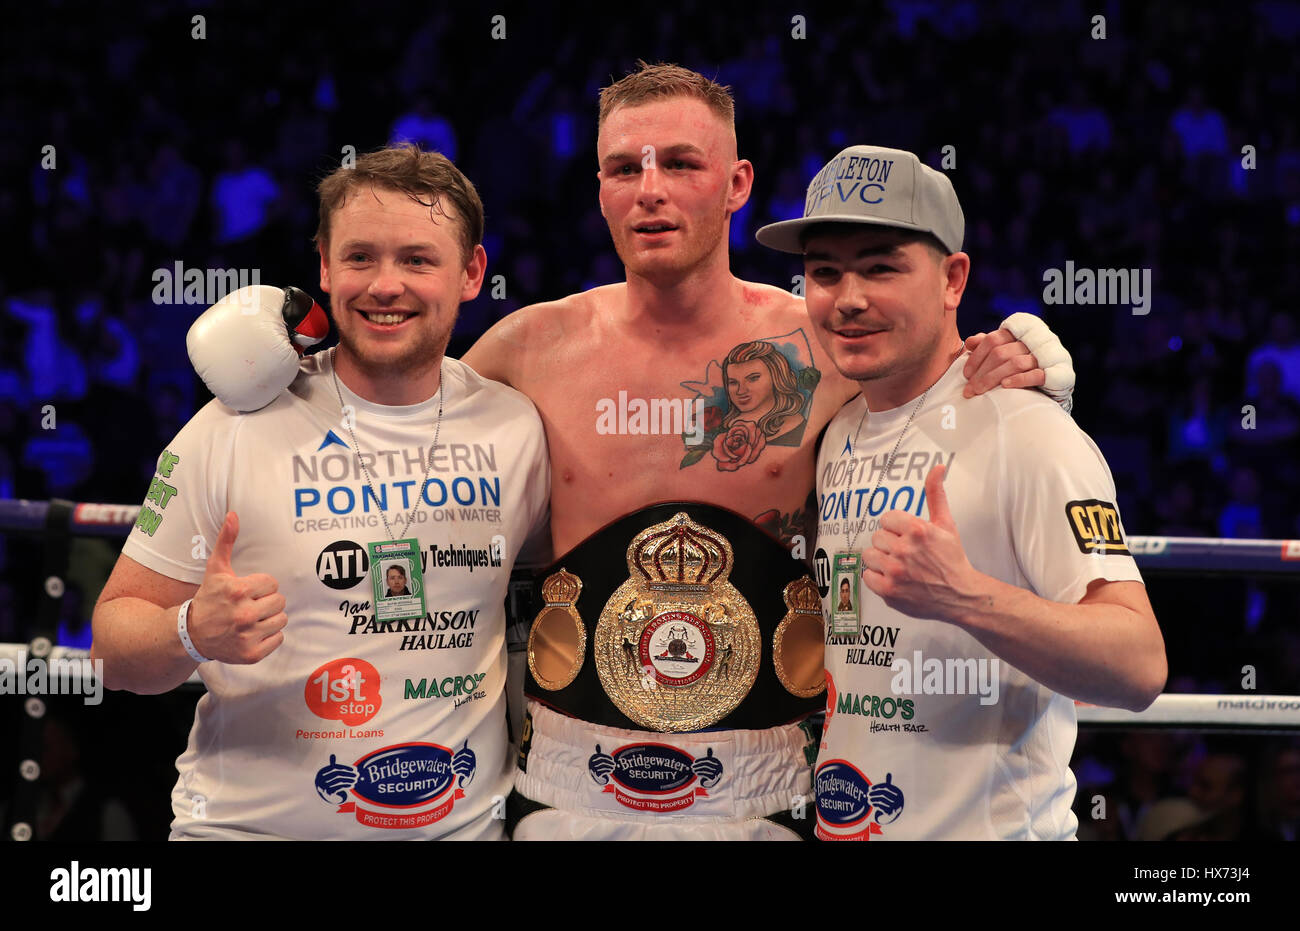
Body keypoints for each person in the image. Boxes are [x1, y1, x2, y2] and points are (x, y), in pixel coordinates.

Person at [189, 64, 1076, 840]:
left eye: (681, 164)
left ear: (736, 184)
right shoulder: (527, 348)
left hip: (767, 773)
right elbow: (391, 396)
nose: (650, 189)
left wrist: (1039, 353)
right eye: (624, 168)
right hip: (569, 771)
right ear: (602, 188)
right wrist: (284, 335)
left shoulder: (819, 346)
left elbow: (942, 378)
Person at [90, 144, 551, 840]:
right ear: (326, 267)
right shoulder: (229, 429)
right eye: (361, 257)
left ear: (471, 272)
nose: (385, 285)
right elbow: (111, 651)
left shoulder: (517, 429)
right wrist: (191, 628)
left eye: (418, 260)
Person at [755, 144, 1166, 839]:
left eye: (881, 266)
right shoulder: (837, 425)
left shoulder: (1025, 428)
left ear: (952, 279)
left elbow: (1139, 664)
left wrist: (963, 595)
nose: (849, 297)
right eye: (825, 271)